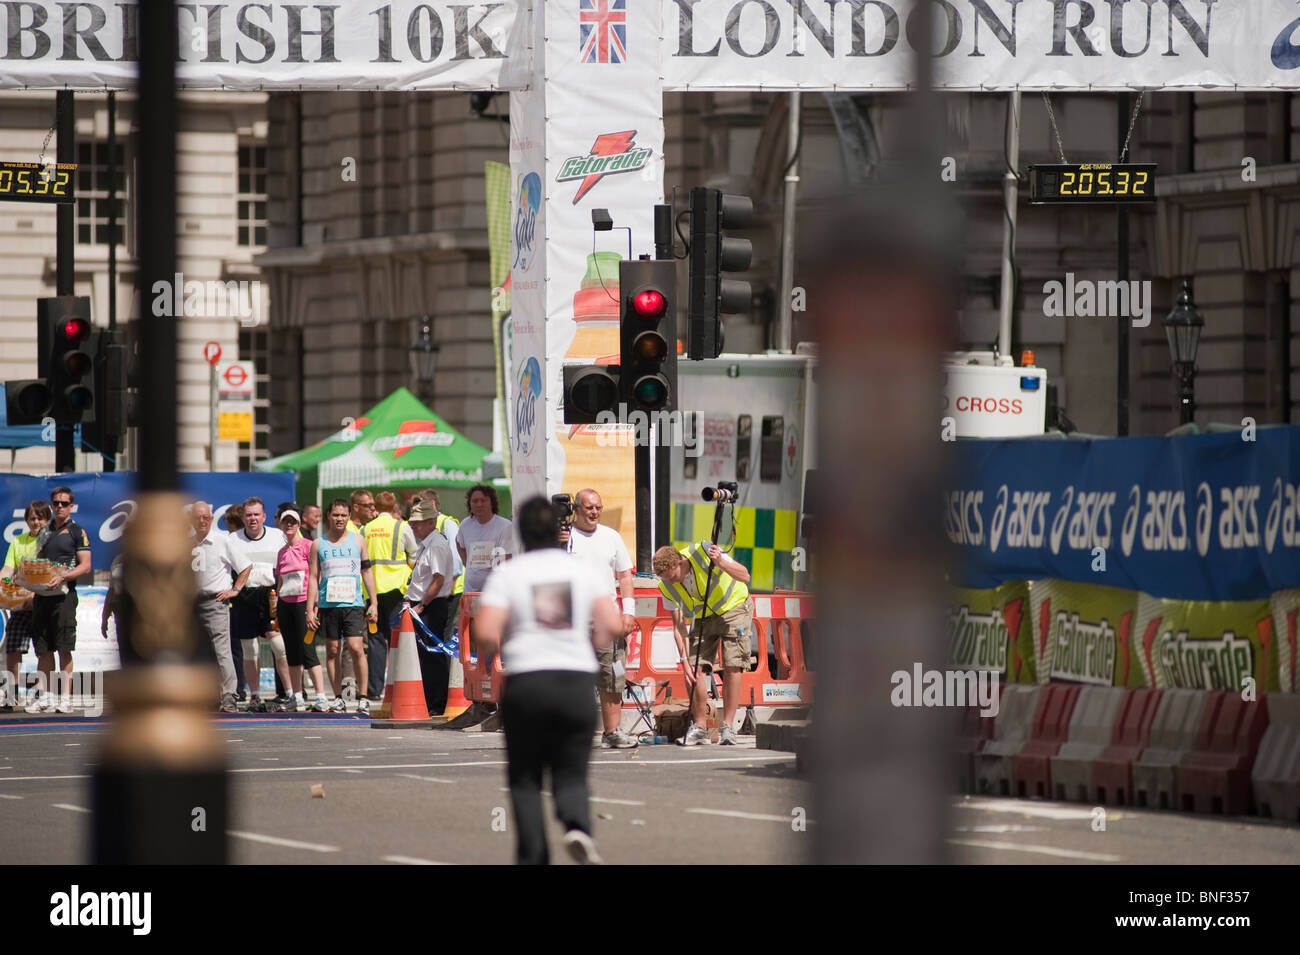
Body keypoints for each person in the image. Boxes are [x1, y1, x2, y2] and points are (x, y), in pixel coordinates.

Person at [475, 497, 623, 865]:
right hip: (574, 682)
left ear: (520, 533)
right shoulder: (581, 571)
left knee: (525, 778)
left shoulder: (509, 574)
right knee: (572, 772)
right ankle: (578, 827)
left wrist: (495, 651)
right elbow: (613, 625)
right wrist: (589, 642)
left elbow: (485, 630)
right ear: (562, 528)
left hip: (528, 683)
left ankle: (534, 855)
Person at [652, 541, 755, 746]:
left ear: (680, 563)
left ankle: (727, 726)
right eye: (666, 579)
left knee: (732, 665)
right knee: (693, 668)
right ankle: (699, 726)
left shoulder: (704, 552)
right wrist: (683, 661)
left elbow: (745, 576)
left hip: (733, 607)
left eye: (673, 576)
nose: (671, 582)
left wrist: (721, 562)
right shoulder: (666, 585)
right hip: (704, 615)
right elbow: (678, 626)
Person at [560, 489, 639, 748]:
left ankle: (612, 732)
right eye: (588, 508)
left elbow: (625, 575)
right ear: (576, 509)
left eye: (598, 508)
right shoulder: (564, 537)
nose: (594, 512)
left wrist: (628, 612)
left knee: (611, 678)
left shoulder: (611, 537)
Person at [306, 499, 379, 714]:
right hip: (329, 605)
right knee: (332, 650)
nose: (339, 519)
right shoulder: (318, 544)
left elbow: (366, 571)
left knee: (357, 648)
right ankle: (338, 697)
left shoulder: (358, 540)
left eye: (343, 515)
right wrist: (310, 609)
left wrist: (373, 602)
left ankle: (363, 697)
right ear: (329, 515)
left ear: (349, 517)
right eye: (336, 515)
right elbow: (312, 577)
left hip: (353, 604)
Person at [25, 487, 92, 714]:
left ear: (71, 506)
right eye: (56, 503)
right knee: (43, 649)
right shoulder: (44, 532)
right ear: (51, 506)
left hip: (64, 596)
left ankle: (65, 697)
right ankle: (45, 696)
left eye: (64, 503)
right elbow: (37, 561)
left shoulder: (77, 531)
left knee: (63, 648)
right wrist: (27, 580)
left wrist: (62, 576)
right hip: (42, 596)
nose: (59, 507)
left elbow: (85, 565)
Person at [228, 497, 292, 713]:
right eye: (248, 515)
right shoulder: (233, 539)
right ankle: (254, 696)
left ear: (264, 517)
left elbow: (288, 564)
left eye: (256, 514)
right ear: (243, 517)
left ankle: (291, 693)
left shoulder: (278, 536)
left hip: (271, 597)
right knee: (249, 649)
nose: (252, 519)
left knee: (279, 646)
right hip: (244, 597)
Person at [191, 501, 252, 714]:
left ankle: (229, 696)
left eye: (206, 517)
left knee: (221, 651)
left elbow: (245, 566)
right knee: (196, 652)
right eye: (198, 518)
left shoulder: (222, 541)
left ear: (211, 518)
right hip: (191, 604)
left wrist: (235, 589)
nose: (202, 521)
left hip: (215, 602)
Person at [363, 491, 418, 700]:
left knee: (376, 639)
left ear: (375, 507)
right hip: (397, 589)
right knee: (397, 638)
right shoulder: (401, 526)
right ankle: (398, 685)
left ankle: (374, 689)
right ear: (394, 506)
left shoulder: (366, 529)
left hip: (372, 592)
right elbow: (413, 555)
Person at [275, 507, 330, 712]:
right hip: (285, 604)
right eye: (285, 522)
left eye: (293, 522)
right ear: (280, 525)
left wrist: (314, 606)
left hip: (303, 604)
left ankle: (321, 696)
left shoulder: (308, 546)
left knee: (308, 649)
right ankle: (296, 696)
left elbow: (317, 576)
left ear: (299, 524)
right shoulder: (281, 552)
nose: (289, 525)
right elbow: (280, 581)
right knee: (291, 652)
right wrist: (276, 605)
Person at [404, 498, 455, 714]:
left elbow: (438, 580)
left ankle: (437, 703)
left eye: (419, 522)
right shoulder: (429, 544)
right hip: (424, 605)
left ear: (431, 522)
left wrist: (421, 605)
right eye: (414, 522)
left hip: (430, 606)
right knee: (426, 656)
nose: (413, 526)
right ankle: (432, 702)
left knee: (431, 656)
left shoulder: (436, 545)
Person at [2, 501, 50, 711]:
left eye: (40, 517)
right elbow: (6, 569)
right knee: (12, 645)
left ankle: (40, 693)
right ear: (27, 520)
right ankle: (11, 694)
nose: (36, 522)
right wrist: (2, 583)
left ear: (47, 519)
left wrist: (34, 594)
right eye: (32, 518)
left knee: (44, 649)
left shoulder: (50, 541)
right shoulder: (18, 541)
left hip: (42, 601)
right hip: (20, 604)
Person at [419, 488, 464, 634]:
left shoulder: (448, 525)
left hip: (448, 590)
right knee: (432, 632)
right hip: (433, 589)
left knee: (443, 634)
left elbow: (456, 560)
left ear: (432, 504)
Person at [455, 484, 512, 593]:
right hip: (469, 591)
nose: (479, 504)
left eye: (483, 500)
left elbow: (507, 558)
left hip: (494, 592)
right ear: (469, 504)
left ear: (492, 503)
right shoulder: (465, 524)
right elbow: (459, 543)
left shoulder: (505, 526)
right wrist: (467, 563)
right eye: (475, 501)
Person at [224, 502, 248, 699]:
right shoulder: (235, 540)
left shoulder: (232, 542)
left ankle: (239, 687)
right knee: (240, 649)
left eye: (226, 520)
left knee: (235, 649)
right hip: (240, 599)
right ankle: (240, 687)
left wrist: (234, 589)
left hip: (238, 599)